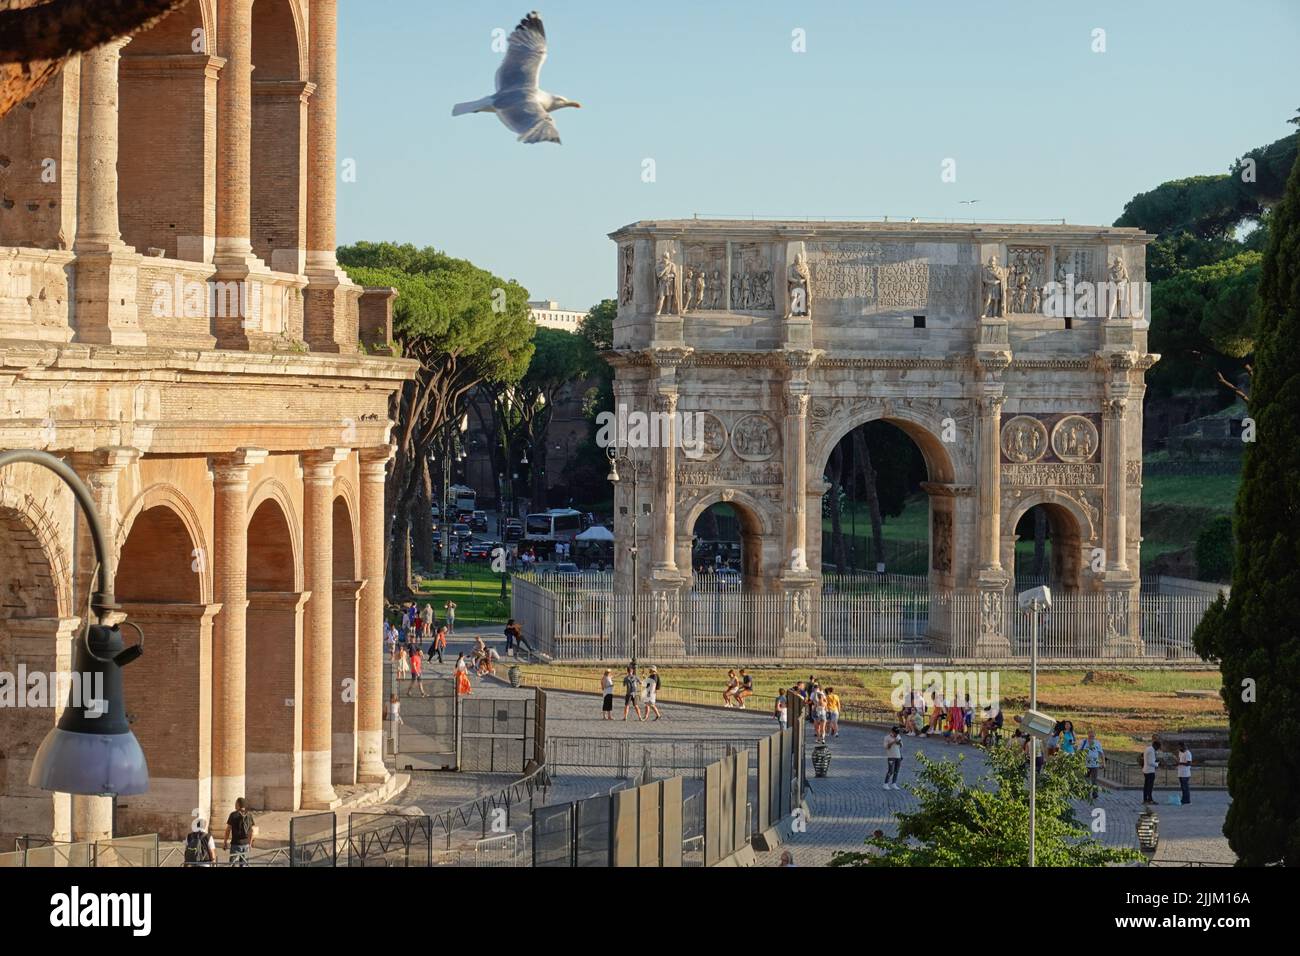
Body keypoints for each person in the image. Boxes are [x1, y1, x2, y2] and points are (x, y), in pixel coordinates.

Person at [223, 797, 255, 865]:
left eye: (236, 803)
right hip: (246, 844)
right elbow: (251, 831)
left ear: (238, 804)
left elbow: (228, 830)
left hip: (235, 844)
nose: (235, 804)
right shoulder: (249, 815)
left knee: (232, 864)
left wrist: (225, 842)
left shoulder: (233, 815)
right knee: (244, 864)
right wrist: (250, 843)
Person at [1080, 730, 1104, 795]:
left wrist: (1103, 763)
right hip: (1085, 764)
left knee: (1094, 780)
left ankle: (1095, 793)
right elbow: (1079, 751)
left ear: (1095, 736)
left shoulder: (1097, 743)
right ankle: (1086, 792)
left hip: (1095, 765)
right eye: (1090, 736)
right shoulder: (1083, 742)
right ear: (1088, 735)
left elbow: (1101, 753)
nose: (1091, 737)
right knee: (1086, 779)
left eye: (1093, 736)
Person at [1142, 735, 1160, 805]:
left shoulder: (1148, 748)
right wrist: (1157, 764)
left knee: (1146, 786)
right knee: (1149, 786)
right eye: (1157, 748)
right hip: (1150, 771)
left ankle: (1145, 799)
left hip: (1146, 770)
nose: (1157, 750)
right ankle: (1150, 800)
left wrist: (1155, 760)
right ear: (1155, 746)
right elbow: (1150, 762)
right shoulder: (1151, 751)